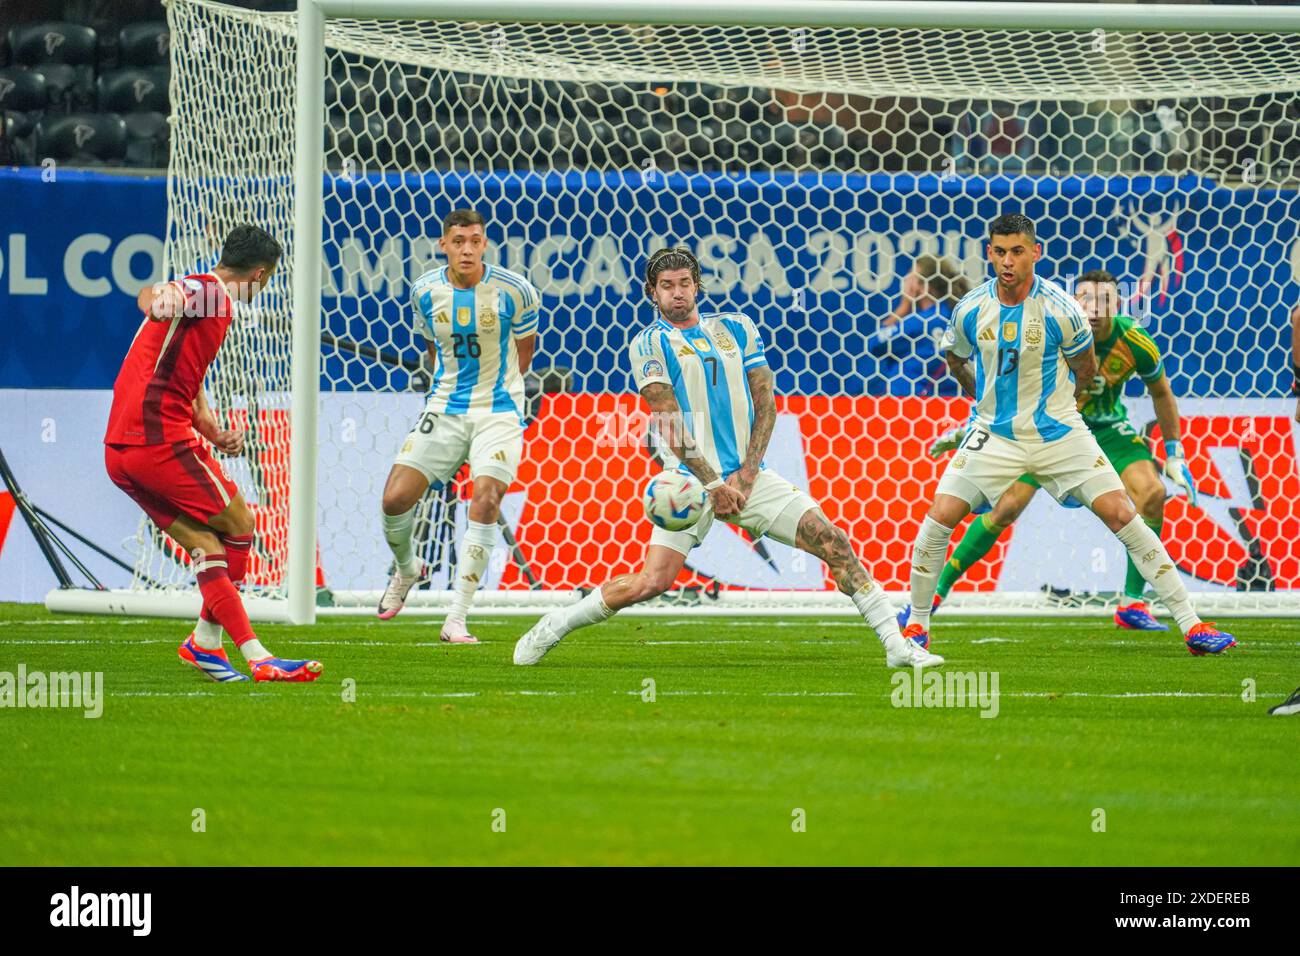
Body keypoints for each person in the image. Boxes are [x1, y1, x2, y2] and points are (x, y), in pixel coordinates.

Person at [512, 246, 942, 669]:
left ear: (697, 287)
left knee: (833, 541)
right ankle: (553, 625)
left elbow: (766, 402)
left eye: (684, 284)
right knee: (652, 582)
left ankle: (896, 647)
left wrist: (748, 474)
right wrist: (714, 485)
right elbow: (666, 420)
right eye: (666, 287)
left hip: (749, 479)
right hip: (689, 484)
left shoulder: (737, 328)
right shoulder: (648, 344)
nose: (677, 293)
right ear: (652, 293)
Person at [903, 213, 1234, 656]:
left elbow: (1086, 371)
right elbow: (955, 357)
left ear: (1035, 253)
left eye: (1017, 251)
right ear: (989, 253)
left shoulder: (1063, 310)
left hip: (1061, 433)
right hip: (995, 436)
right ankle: (918, 626)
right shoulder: (970, 308)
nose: (1008, 261)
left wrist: (1061, 408)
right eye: (1000, 251)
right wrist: (981, 406)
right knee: (940, 515)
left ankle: (1191, 625)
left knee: (1124, 513)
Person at [104, 224, 322, 683]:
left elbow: (188, 375)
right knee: (241, 525)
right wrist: (160, 299)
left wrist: (212, 429)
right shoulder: (212, 292)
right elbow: (161, 297)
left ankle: (204, 644)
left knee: (208, 545)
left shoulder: (207, 302)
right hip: (155, 438)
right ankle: (257, 656)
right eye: (267, 280)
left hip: (122, 453)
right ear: (261, 274)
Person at [377, 209, 540, 643]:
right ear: (443, 245)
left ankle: (457, 617)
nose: (467, 248)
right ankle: (409, 568)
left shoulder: (515, 291)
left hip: (500, 410)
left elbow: (525, 354)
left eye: (475, 240)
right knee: (395, 499)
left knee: (484, 500)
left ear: (485, 244)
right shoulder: (424, 291)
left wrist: (500, 391)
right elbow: (432, 349)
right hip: (446, 407)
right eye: (458, 241)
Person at [866, 254, 971, 395]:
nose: (906, 279)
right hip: (954, 404)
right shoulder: (960, 316)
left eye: (911, 275)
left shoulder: (922, 322)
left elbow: (875, 344)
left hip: (911, 407)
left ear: (923, 286)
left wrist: (902, 308)